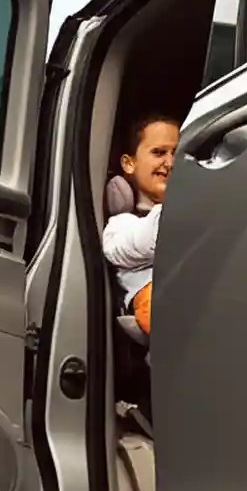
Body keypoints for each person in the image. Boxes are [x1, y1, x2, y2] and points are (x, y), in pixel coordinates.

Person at [102, 113, 179, 336]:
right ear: (129, 163)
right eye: (159, 152)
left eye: (177, 154)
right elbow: (143, 241)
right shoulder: (120, 226)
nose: (171, 162)